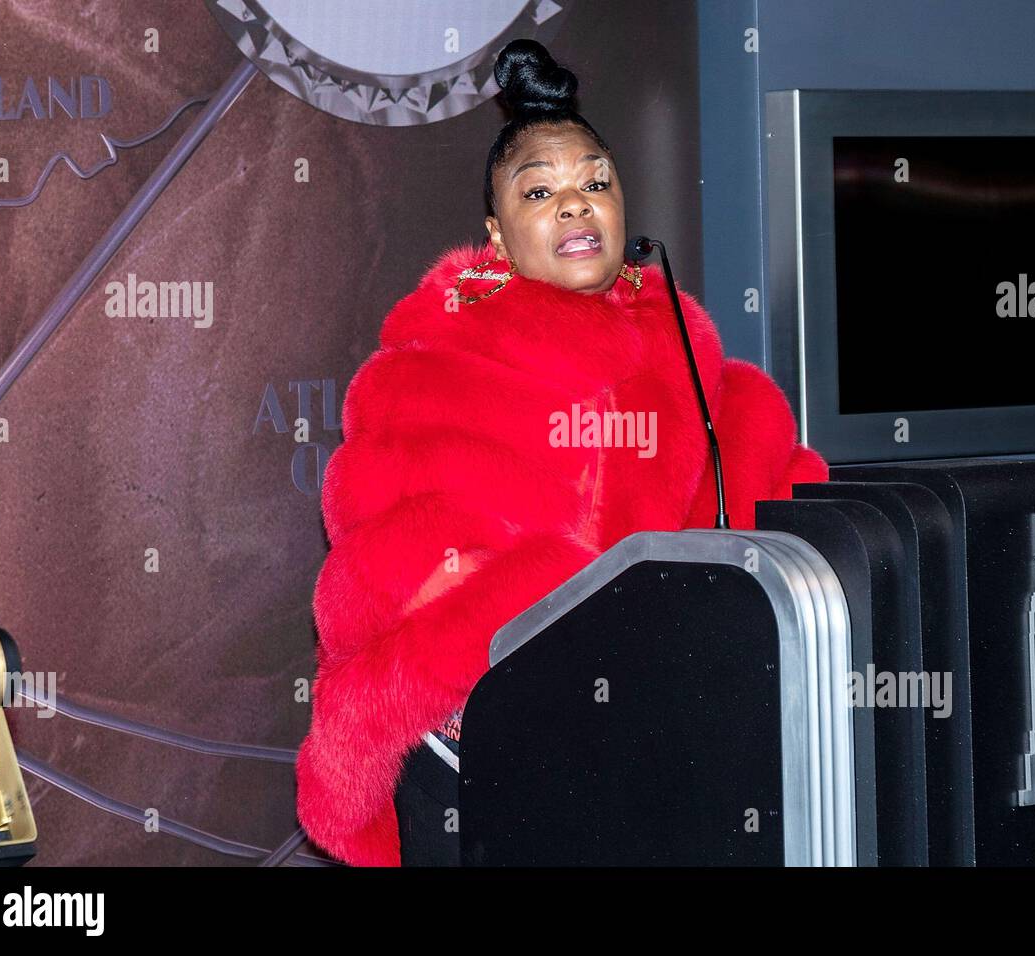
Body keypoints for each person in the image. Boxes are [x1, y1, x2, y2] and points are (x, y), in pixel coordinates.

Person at [294, 38, 829, 866]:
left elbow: (795, 544)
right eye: (539, 190)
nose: (576, 206)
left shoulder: (716, 388)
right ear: (497, 236)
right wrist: (514, 621)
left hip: (675, 777)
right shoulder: (423, 378)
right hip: (485, 770)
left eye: (596, 183)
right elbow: (378, 583)